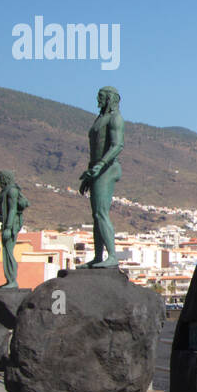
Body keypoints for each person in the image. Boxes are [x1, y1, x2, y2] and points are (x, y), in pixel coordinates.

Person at [78, 87, 124, 268]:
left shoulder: (115, 118)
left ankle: (112, 256)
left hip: (108, 168)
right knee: (96, 214)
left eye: (102, 96)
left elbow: (117, 145)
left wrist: (99, 166)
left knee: (101, 213)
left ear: (110, 99)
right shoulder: (100, 118)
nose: (98, 99)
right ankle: (98, 257)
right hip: (97, 168)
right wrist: (90, 174)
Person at [0, 171, 28, 288]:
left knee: (8, 252)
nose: (0, 181)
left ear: (5, 178)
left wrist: (8, 228)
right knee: (6, 252)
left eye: (1, 178)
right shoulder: (5, 191)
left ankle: (12, 280)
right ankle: (9, 280)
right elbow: (4, 209)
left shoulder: (12, 191)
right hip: (6, 224)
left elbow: (13, 209)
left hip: (11, 226)